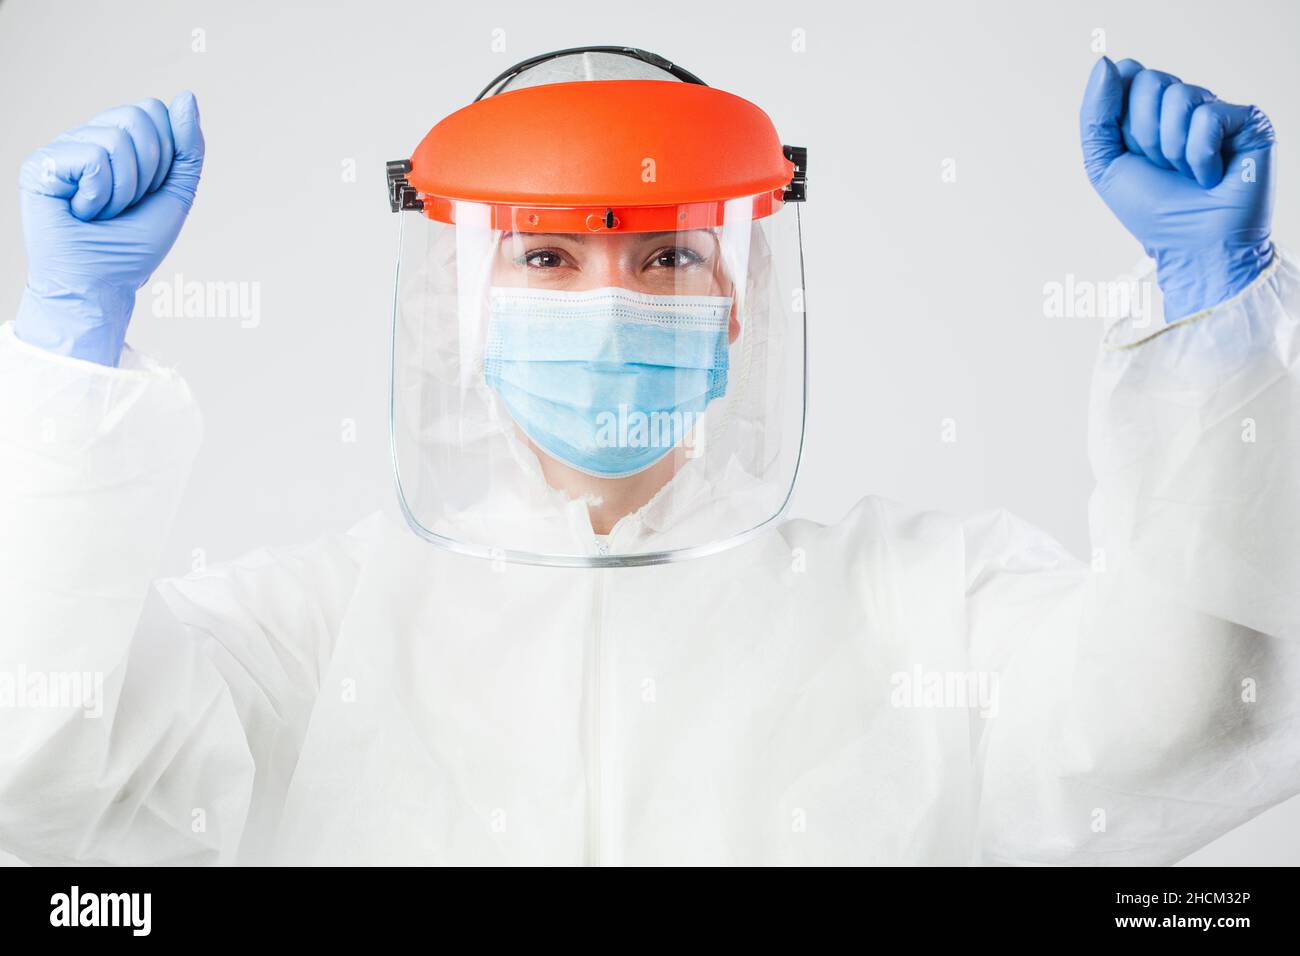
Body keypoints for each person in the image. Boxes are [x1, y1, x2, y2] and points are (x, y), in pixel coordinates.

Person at [0, 47, 1297, 866]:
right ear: (465, 306)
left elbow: (1188, 711)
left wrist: (1212, 326)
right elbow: (43, 769)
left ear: (738, 305)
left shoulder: (909, 605)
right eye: (549, 256)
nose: (608, 306)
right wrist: (69, 358)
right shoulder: (314, 632)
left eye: (667, 254)